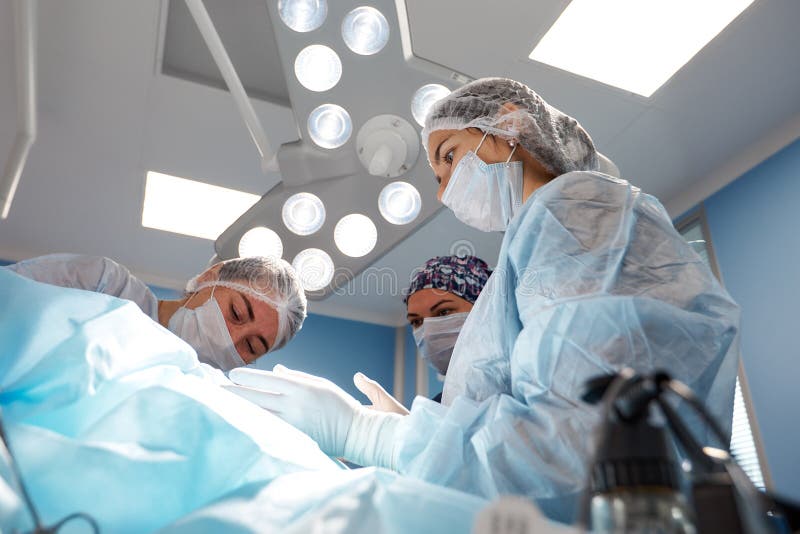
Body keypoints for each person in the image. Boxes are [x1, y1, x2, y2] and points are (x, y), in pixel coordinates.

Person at [226, 78, 740, 523]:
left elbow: (575, 448)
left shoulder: (573, 216)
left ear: (510, 125)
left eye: (448, 156)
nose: (443, 189)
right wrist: (413, 431)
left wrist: (367, 435)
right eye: (436, 176)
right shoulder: (533, 247)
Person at [5, 253, 306, 370]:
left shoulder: (201, 397)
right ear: (210, 277)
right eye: (237, 313)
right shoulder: (103, 284)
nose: (231, 338)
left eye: (251, 347)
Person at [355, 255, 492, 413]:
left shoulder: (519, 376)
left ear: (484, 308)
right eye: (417, 322)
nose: (428, 332)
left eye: (443, 312)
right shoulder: (437, 408)